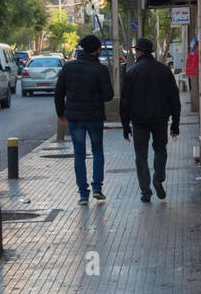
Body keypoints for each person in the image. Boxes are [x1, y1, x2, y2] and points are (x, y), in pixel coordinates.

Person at [54, 34, 114, 205]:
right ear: (96, 50)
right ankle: (97, 188)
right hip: (94, 118)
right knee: (97, 151)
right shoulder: (100, 69)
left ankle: (83, 194)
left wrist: (61, 114)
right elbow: (109, 96)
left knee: (79, 154)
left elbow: (59, 93)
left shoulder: (68, 67)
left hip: (75, 118)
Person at [120, 36, 181, 202]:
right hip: (161, 119)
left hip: (139, 121)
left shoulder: (131, 72)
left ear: (139, 52)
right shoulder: (163, 70)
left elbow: (124, 102)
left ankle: (145, 192)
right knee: (160, 149)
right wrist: (175, 124)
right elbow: (174, 99)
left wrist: (125, 126)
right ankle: (158, 178)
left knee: (141, 155)